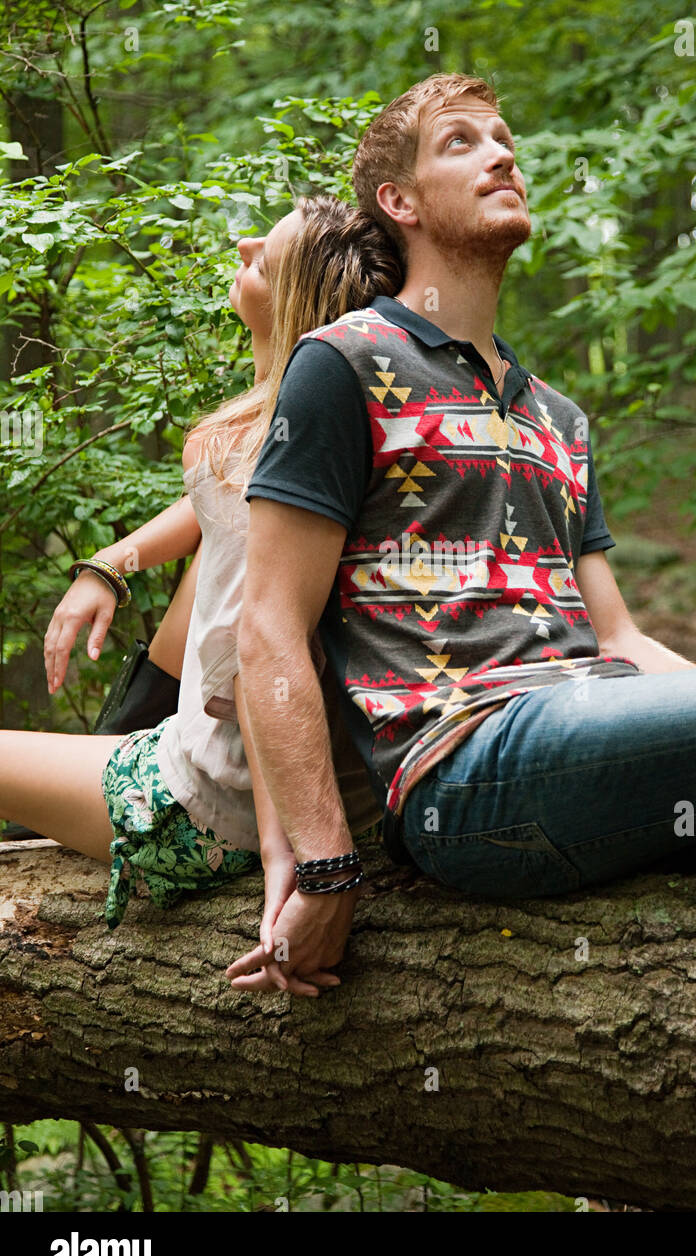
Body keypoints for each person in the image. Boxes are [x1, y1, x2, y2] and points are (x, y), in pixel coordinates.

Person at [225, 71, 696, 994]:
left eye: (504, 140)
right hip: (466, 770)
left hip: (592, 747)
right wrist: (326, 867)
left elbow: (621, 640)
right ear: (397, 201)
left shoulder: (556, 417)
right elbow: (269, 628)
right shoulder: (345, 363)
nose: (501, 154)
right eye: (463, 142)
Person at [0, 193, 402, 996]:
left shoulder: (280, 454)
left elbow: (265, 661)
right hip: (213, 768)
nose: (246, 242)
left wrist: (288, 861)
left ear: (296, 299)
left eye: (268, 252)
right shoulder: (285, 426)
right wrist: (111, 563)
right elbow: (210, 501)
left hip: (205, 800)